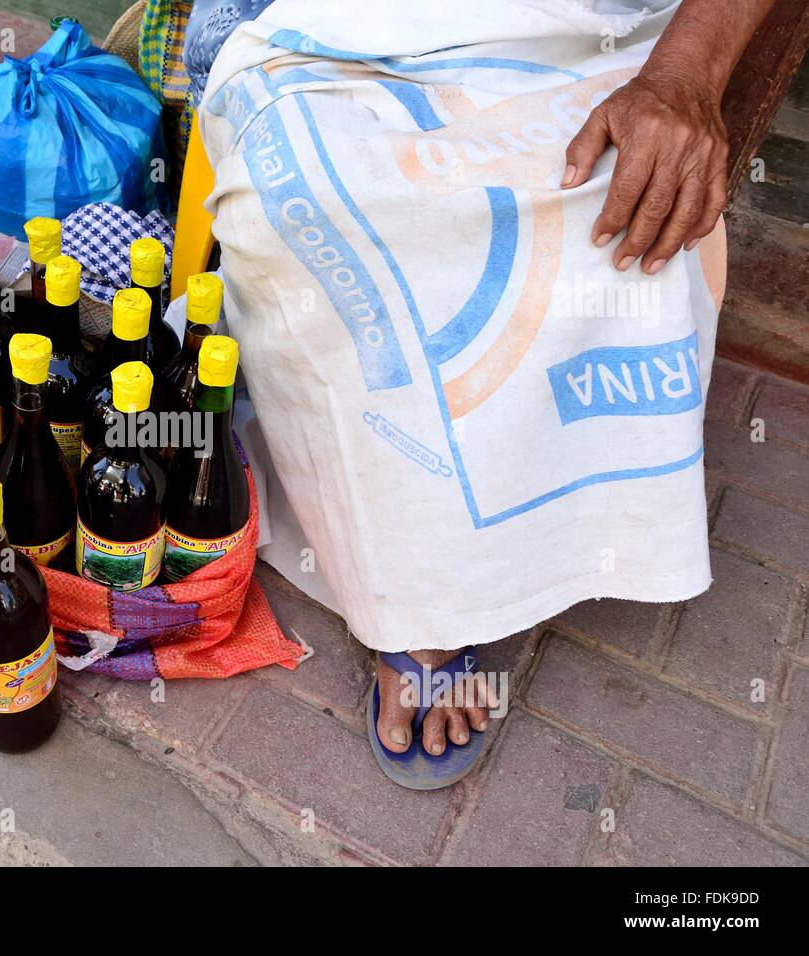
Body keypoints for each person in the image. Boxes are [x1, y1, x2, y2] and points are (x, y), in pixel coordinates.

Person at [186, 0, 775, 789]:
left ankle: (485, 551)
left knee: (615, 204)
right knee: (306, 202)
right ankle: (423, 595)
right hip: (330, 20)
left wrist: (683, 77)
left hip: (574, 19)